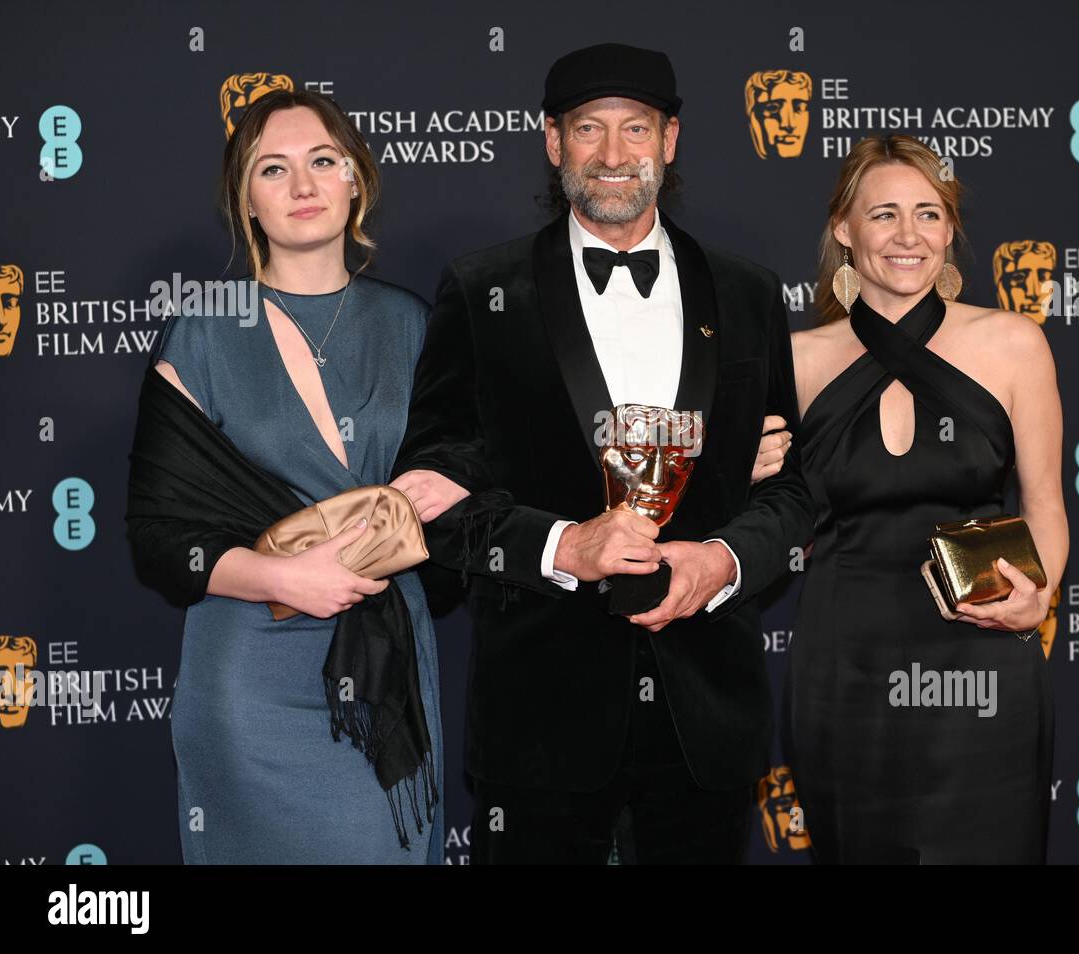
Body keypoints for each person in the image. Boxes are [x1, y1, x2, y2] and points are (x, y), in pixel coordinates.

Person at [394, 42, 815, 864]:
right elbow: (431, 498)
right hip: (541, 718)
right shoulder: (484, 290)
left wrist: (722, 562)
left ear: (671, 140)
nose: (615, 156)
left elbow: (792, 490)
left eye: (636, 129)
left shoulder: (749, 291)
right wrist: (563, 545)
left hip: (707, 716)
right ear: (554, 143)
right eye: (590, 129)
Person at [131, 89, 458, 863]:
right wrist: (291, 580)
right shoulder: (206, 330)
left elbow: (481, 474)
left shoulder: (414, 325)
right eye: (273, 169)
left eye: (323, 161)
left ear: (357, 181)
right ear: (246, 201)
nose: (303, 186)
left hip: (386, 667)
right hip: (251, 671)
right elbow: (157, 537)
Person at [756, 134, 1067, 863]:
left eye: (928, 215)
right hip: (843, 671)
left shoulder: (1013, 343)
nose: (908, 236)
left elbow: (1046, 502)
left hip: (982, 653)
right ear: (844, 230)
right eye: (884, 214)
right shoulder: (796, 360)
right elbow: (767, 513)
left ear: (950, 230)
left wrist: (1040, 593)